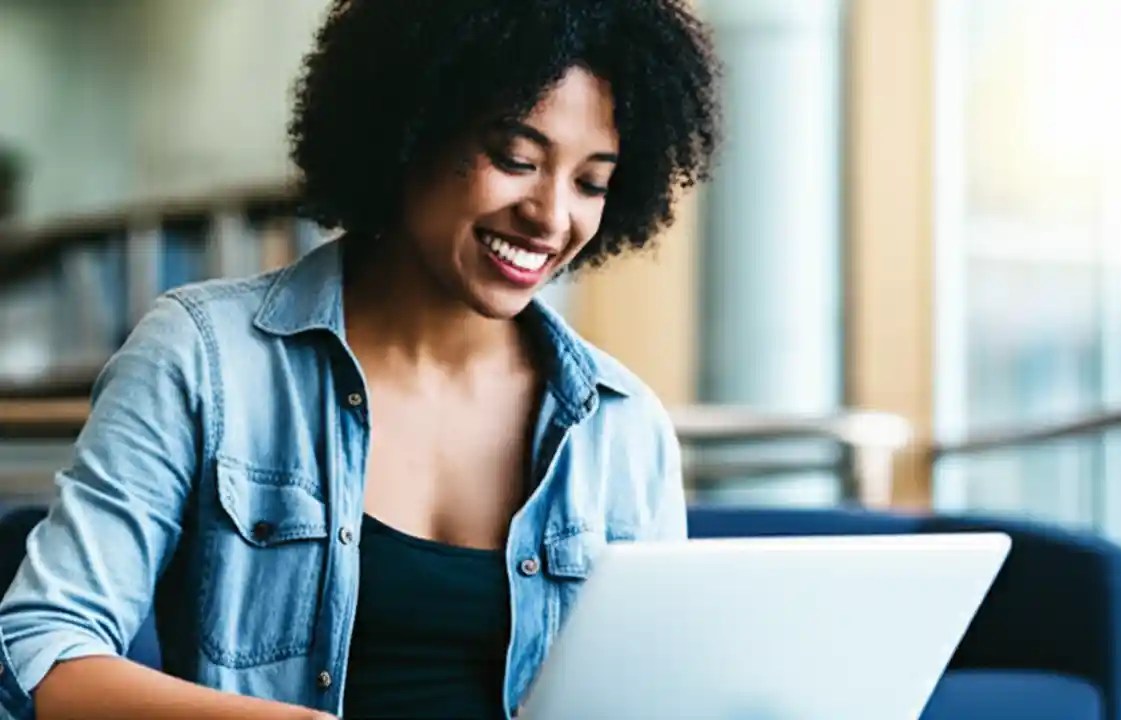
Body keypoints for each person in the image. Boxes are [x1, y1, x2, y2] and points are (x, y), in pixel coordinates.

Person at [0, 1, 721, 718]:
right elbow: (44, 651)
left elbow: (661, 695)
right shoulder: (205, 357)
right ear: (411, 131)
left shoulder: (620, 424)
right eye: (516, 159)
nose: (552, 215)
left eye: (591, 182)